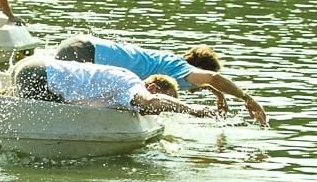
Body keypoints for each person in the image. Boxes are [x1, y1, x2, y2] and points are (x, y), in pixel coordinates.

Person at [53, 35, 268, 126]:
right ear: (196, 69)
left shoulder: (171, 64)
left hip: (79, 45)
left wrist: (218, 93)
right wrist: (247, 98)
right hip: (85, 53)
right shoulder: (179, 68)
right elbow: (213, 77)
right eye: (198, 85)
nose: (194, 89)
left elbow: (210, 81)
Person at [11, 56, 218, 118]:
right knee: (56, 117)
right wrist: (193, 109)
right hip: (39, 74)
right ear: (153, 88)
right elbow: (150, 102)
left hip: (34, 66)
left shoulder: (122, 82)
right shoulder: (132, 85)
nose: (157, 113)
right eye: (166, 104)